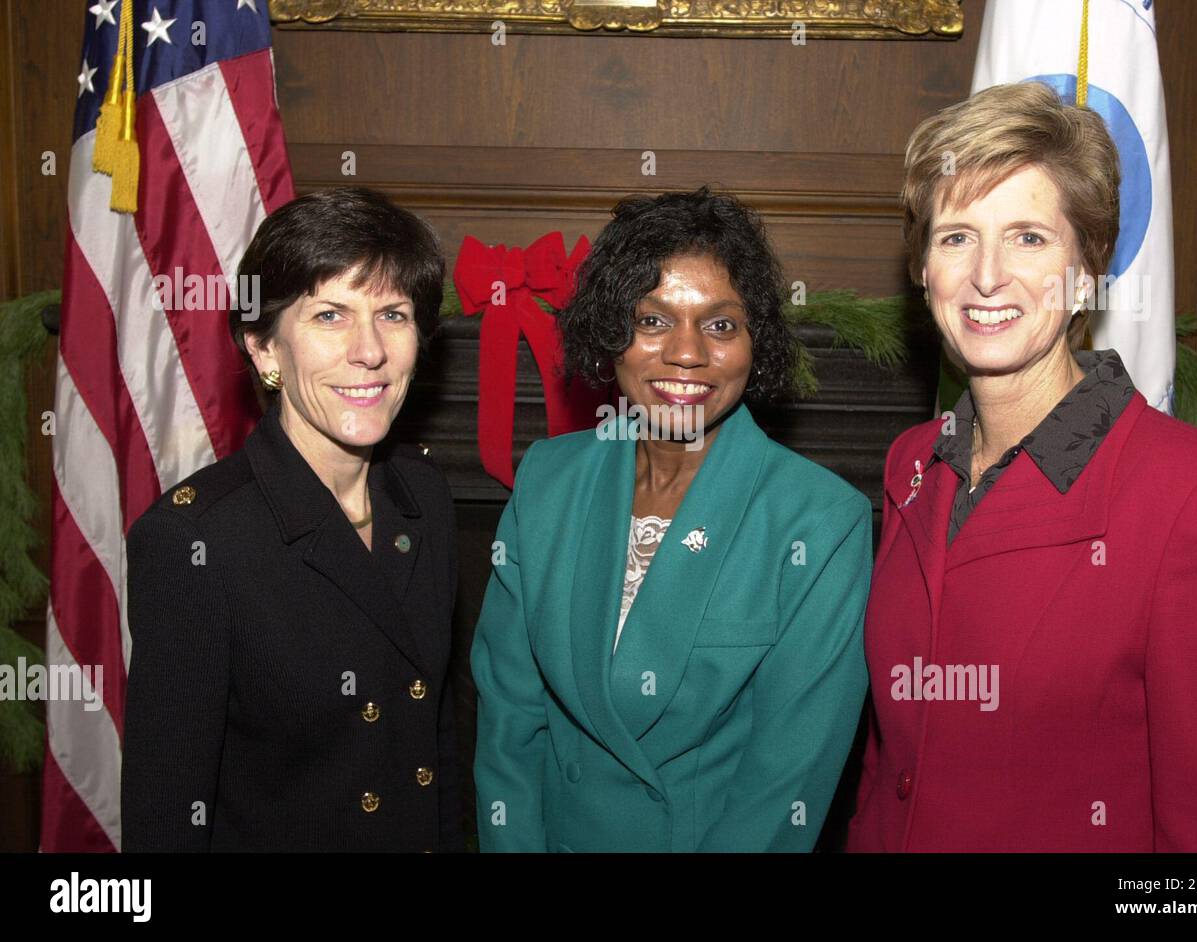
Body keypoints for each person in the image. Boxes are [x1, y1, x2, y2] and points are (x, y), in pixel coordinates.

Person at [846, 82, 1197, 852]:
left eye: (1028, 237)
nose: (987, 275)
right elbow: (895, 762)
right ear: (923, 268)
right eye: (956, 237)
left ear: (1086, 266)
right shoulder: (913, 464)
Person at [471, 187, 872, 852]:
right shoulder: (547, 480)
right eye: (653, 321)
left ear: (755, 342)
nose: (686, 354)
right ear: (611, 333)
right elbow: (509, 723)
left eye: (720, 325)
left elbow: (783, 786)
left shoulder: (819, 523)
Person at [121, 187, 463, 852]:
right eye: (330, 315)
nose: (369, 351)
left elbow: (434, 741)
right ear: (265, 350)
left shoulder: (425, 501)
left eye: (392, 314)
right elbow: (166, 815)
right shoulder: (197, 541)